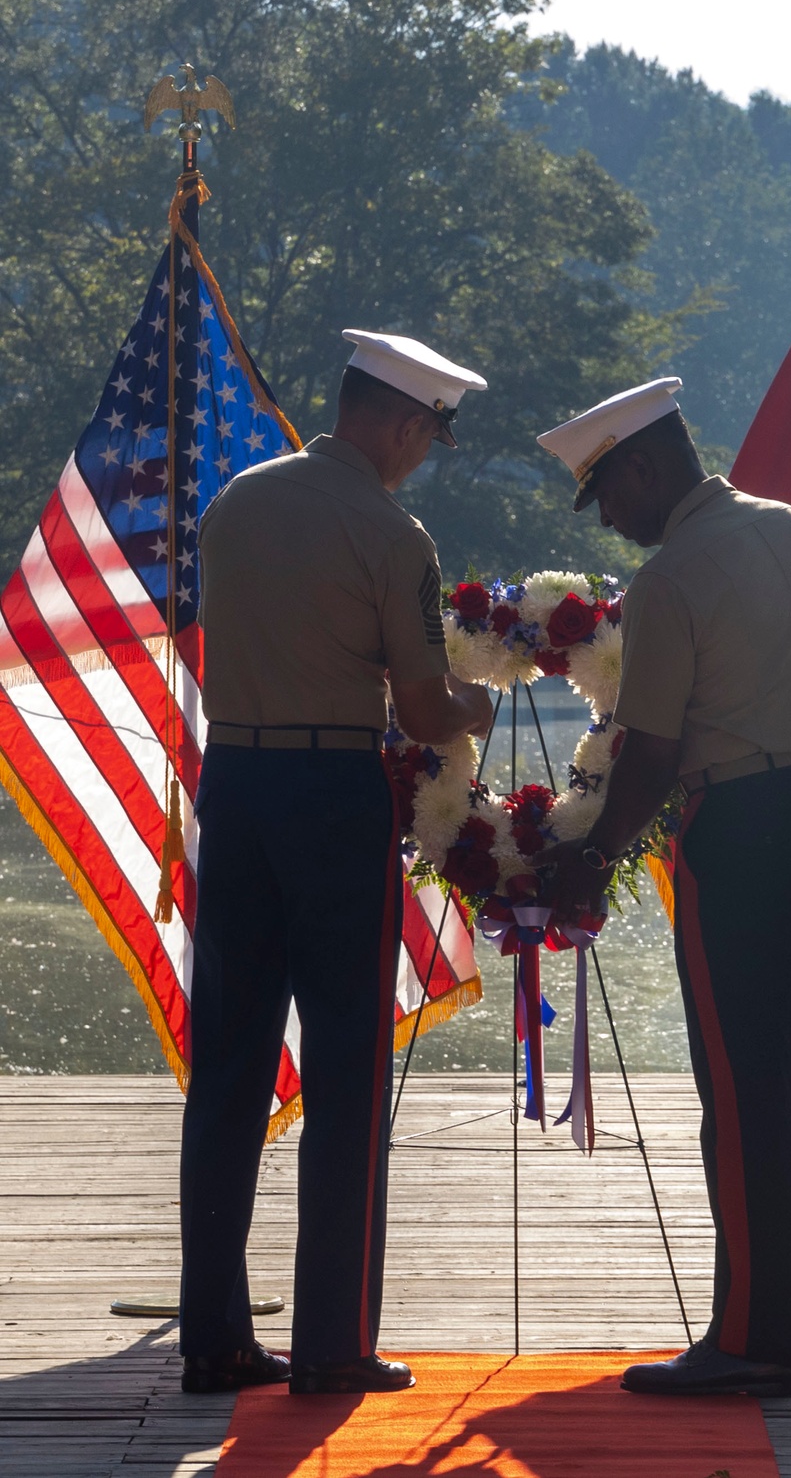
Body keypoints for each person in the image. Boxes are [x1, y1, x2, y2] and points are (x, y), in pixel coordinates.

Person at [534, 377, 791, 1397]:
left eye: (608, 498)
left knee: (741, 1090)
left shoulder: (675, 575)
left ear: (642, 469)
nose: (612, 520)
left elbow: (649, 752)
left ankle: (746, 1340)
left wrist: (589, 858)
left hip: (747, 832)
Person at [179, 330, 494, 1396]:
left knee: (227, 1064)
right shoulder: (392, 536)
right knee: (347, 1070)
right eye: (427, 439)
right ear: (404, 423)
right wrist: (475, 705)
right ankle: (333, 1343)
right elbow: (418, 706)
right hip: (331, 799)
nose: (423, 458)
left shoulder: (236, 503)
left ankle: (213, 1339)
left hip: (234, 787)